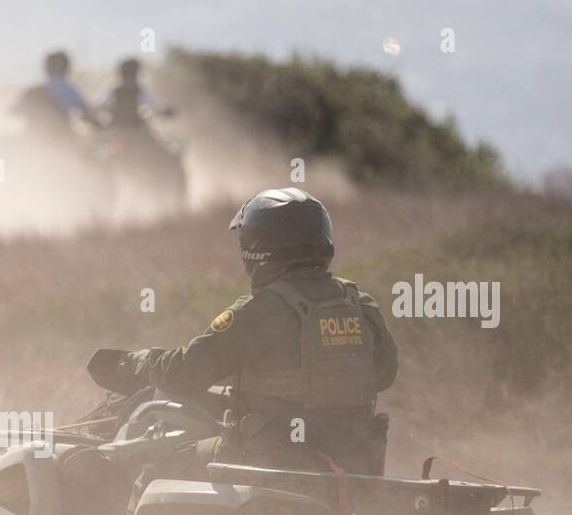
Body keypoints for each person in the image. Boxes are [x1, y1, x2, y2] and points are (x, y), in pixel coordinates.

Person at [120, 187, 398, 473]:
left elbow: (183, 375)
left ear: (257, 249)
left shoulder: (257, 312)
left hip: (267, 466)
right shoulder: (360, 305)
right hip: (354, 466)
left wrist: (141, 361)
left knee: (157, 465)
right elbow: (386, 375)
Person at [12, 50, 96, 139]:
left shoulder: (33, 91)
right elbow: (88, 115)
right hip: (61, 140)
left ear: (46, 68)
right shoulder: (69, 90)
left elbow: (14, 111)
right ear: (66, 68)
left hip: (32, 138)